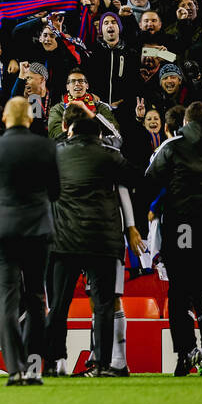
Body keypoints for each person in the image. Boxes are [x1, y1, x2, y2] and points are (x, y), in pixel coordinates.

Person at [45, 103, 146, 377]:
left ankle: (55, 362)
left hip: (64, 240)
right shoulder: (110, 155)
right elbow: (136, 179)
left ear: (70, 131)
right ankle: (102, 363)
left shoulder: (54, 154)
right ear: (97, 134)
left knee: (58, 305)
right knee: (102, 304)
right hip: (103, 240)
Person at [143, 100, 202, 376]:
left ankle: (185, 354)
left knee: (180, 292)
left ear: (185, 123)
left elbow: (149, 181)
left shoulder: (172, 147)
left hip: (181, 228)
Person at [0, 98, 61, 385]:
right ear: (29, 118)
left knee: (8, 302)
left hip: (2, 233)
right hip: (38, 231)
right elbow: (56, 191)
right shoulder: (46, 147)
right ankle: (34, 367)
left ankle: (15, 369)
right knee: (36, 299)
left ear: (6, 120)